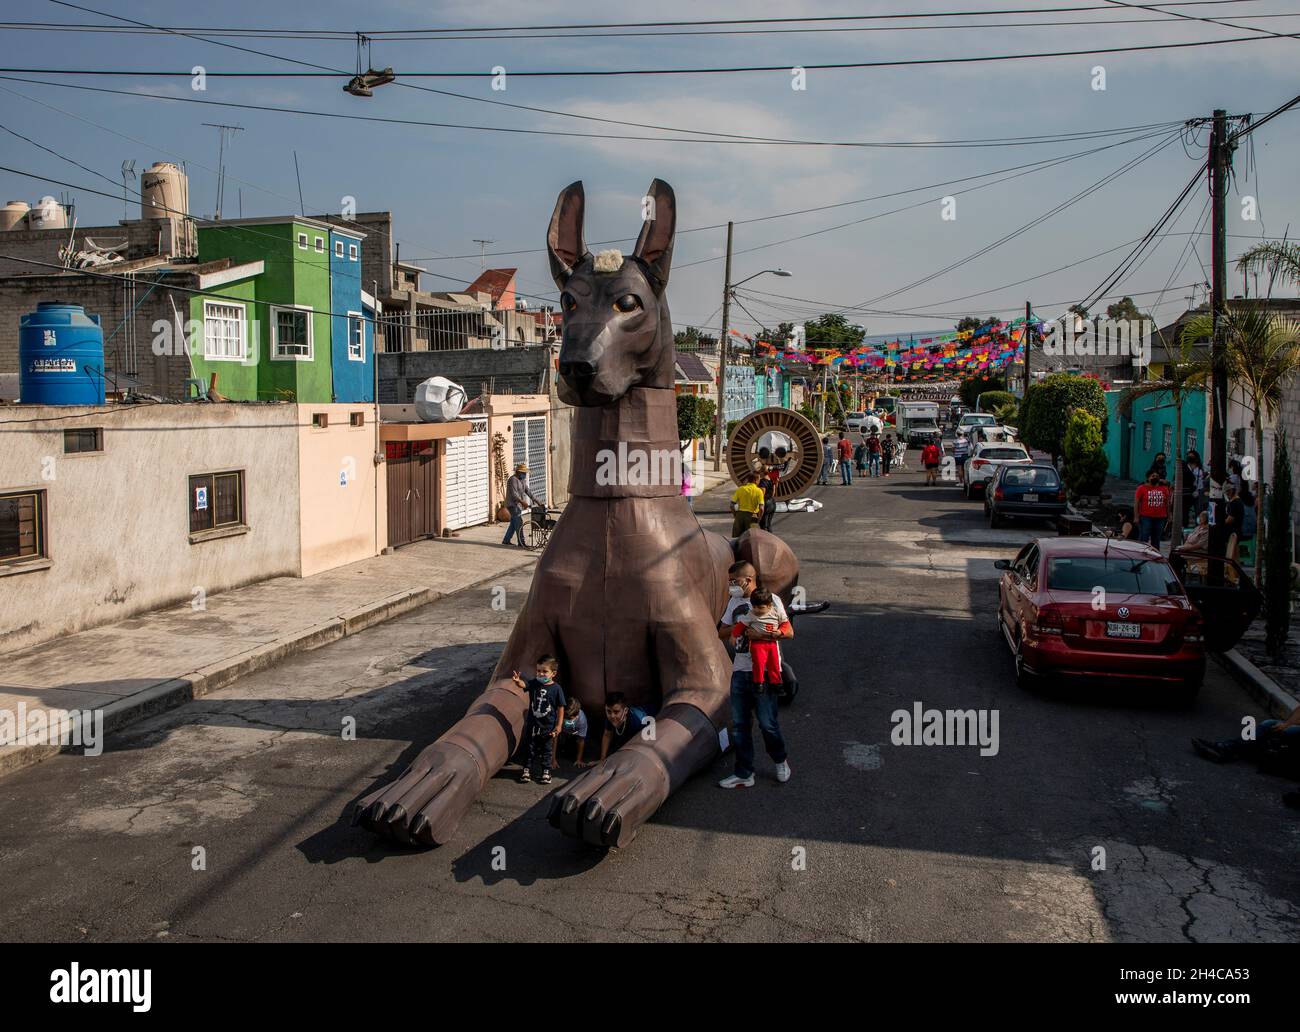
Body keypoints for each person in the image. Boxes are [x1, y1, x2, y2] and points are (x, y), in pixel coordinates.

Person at [717, 560, 793, 788]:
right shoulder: (734, 602)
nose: (731, 586)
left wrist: (763, 635)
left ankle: (780, 761)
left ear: (748, 580)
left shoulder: (771, 600)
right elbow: (721, 631)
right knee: (740, 725)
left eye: (734, 581)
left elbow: (788, 631)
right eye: (729, 581)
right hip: (740, 671)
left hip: (766, 671)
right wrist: (741, 626)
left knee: (767, 723)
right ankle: (744, 773)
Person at [511, 655, 566, 784]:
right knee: (530, 748)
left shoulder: (557, 689)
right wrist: (517, 681)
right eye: (538, 670)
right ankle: (526, 769)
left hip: (548, 726)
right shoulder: (534, 683)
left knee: (547, 749)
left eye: (545, 671)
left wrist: (559, 725)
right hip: (533, 724)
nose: (541, 674)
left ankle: (546, 771)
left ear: (553, 673)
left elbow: (561, 707)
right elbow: (524, 685)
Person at [732, 589, 783, 688]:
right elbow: (740, 625)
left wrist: (780, 632)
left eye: (760, 608)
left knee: (774, 663)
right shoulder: (751, 615)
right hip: (757, 645)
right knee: (759, 663)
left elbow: (788, 629)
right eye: (754, 607)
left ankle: (776, 683)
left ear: (769, 606)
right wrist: (734, 635)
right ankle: (759, 682)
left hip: (771, 644)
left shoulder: (775, 613)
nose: (757, 610)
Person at [597, 692, 651, 762]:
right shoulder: (611, 717)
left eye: (616, 712)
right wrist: (602, 759)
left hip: (649, 713)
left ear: (625, 711)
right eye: (608, 711)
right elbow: (607, 735)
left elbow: (640, 747)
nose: (612, 716)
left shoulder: (635, 723)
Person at [502, 463, 543, 548]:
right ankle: (521, 542)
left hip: (518, 505)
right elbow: (514, 495)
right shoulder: (512, 480)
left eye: (525, 473)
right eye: (523, 473)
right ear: (518, 472)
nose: (524, 474)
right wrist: (523, 502)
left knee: (514, 523)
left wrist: (537, 501)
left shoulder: (522, 481)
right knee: (519, 522)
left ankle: (506, 540)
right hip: (512, 505)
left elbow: (528, 491)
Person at [1134, 469, 1170, 548]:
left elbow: (1167, 504)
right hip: (1146, 517)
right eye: (1153, 476)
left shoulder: (1164, 489)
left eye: (1157, 476)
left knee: (1156, 539)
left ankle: (1155, 553)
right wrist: (1136, 517)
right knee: (1144, 537)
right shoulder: (1141, 488)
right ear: (1148, 478)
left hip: (1160, 517)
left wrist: (1169, 516)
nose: (1155, 477)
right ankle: (1141, 552)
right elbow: (1136, 503)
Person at [559, 697, 592, 768]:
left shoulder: (582, 719)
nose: (568, 720)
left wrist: (579, 760)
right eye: (566, 718)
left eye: (570, 718)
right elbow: (555, 736)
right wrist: (552, 759)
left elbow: (581, 740)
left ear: (577, 716)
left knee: (571, 751)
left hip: (575, 734)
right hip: (562, 732)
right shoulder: (559, 713)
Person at [730, 471, 765, 537]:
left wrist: (735, 515)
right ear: (755, 480)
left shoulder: (740, 489)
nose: (759, 481)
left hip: (739, 516)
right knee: (753, 538)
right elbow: (761, 508)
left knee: (736, 538)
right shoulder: (759, 491)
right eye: (759, 479)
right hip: (752, 517)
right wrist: (759, 519)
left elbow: (731, 505)